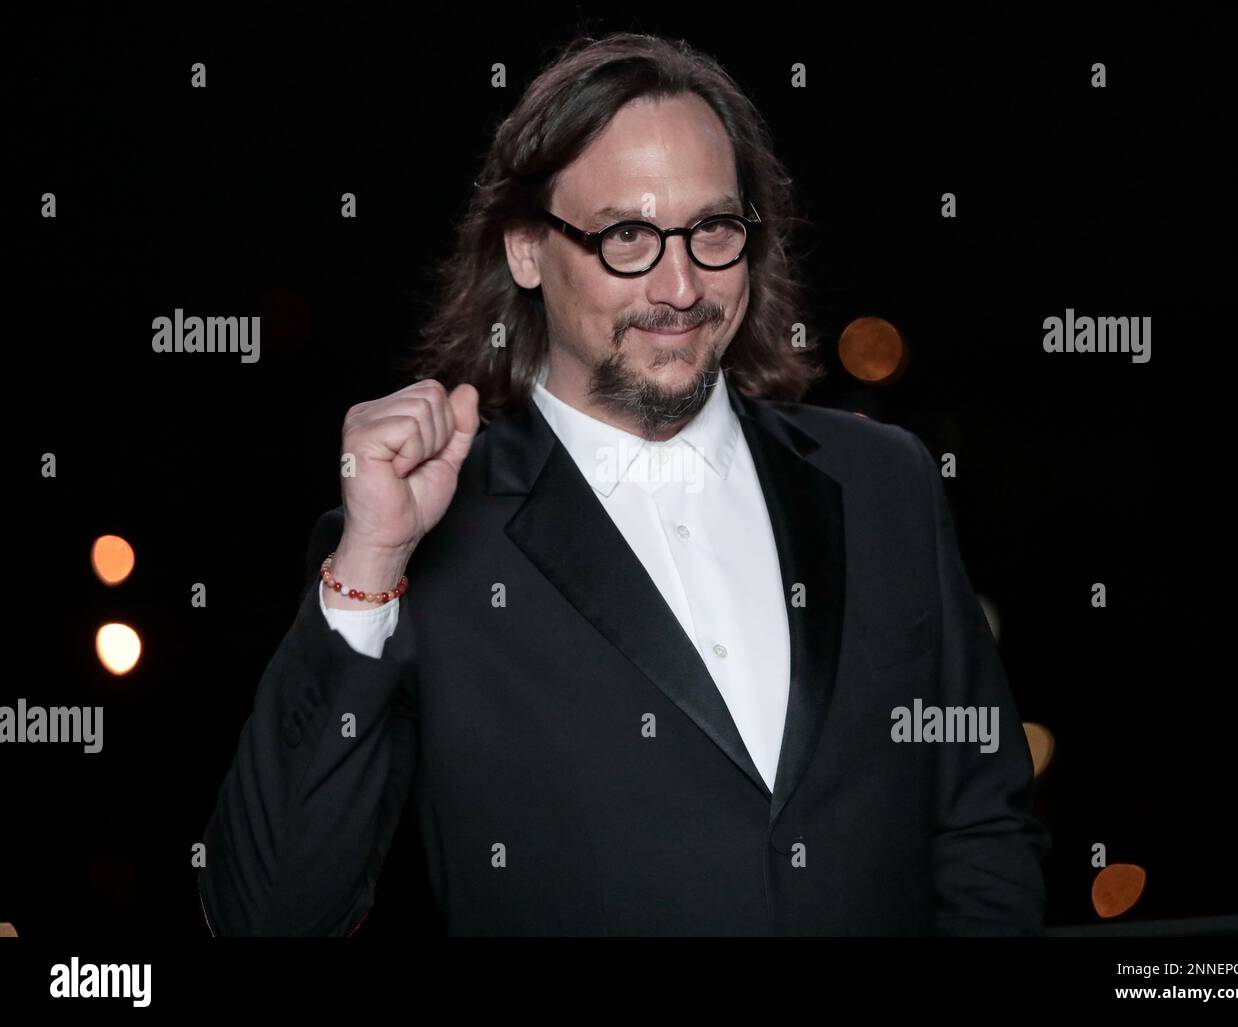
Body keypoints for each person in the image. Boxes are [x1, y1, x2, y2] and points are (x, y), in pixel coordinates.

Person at [197, 31, 1049, 937]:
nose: (680, 286)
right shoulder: (426, 535)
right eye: (627, 236)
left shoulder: (886, 482)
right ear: (526, 250)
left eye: (713, 230)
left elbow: (980, 825)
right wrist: (368, 563)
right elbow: (267, 916)